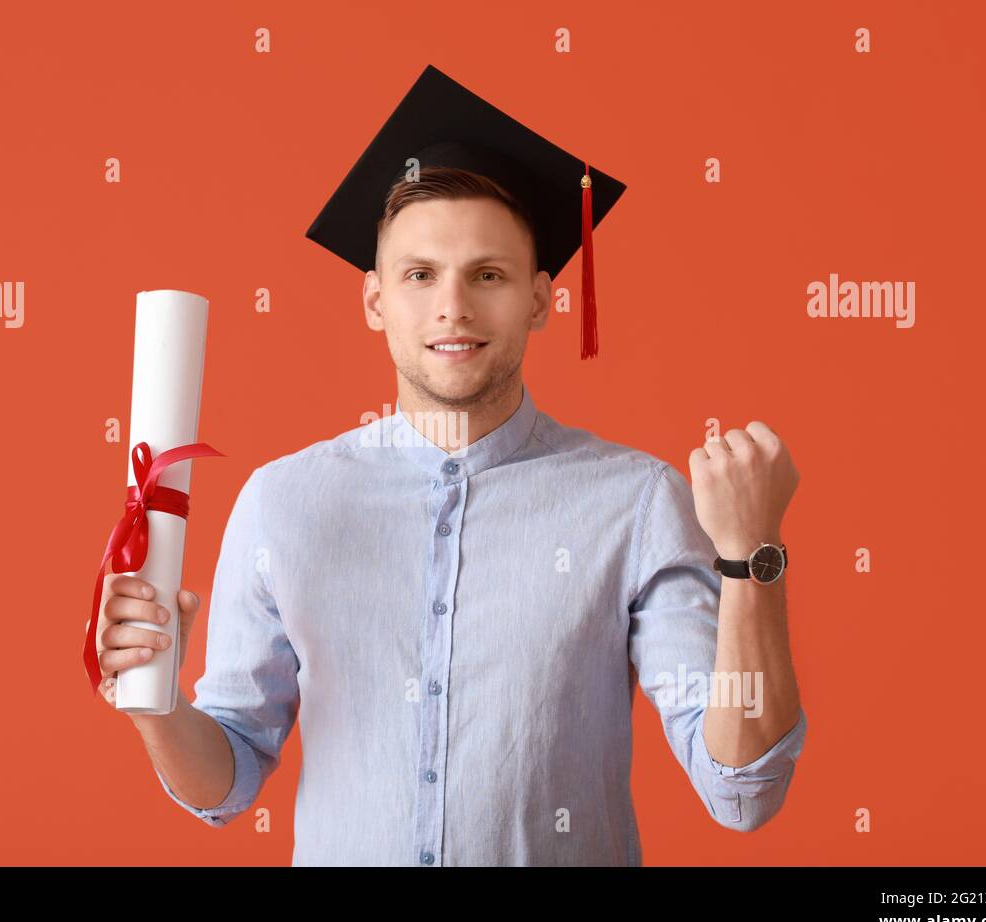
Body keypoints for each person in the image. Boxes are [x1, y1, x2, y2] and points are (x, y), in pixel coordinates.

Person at [96, 65, 807, 865]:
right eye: (420, 275)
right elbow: (225, 780)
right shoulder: (282, 502)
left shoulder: (634, 504)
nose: (453, 308)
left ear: (541, 299)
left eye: (489, 275)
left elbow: (741, 791)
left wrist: (752, 561)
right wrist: (153, 704)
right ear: (374, 301)